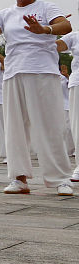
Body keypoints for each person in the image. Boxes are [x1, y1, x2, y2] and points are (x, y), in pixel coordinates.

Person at [0, 0, 73, 196]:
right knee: (15, 127)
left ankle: (60, 178)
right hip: (14, 73)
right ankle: (19, 178)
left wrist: (44, 29)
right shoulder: (6, 13)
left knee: (50, 124)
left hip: (42, 71)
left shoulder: (45, 7)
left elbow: (65, 26)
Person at [56, 34, 79, 182]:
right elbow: (53, 46)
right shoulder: (75, 36)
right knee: (77, 127)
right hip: (77, 83)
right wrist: (47, 30)